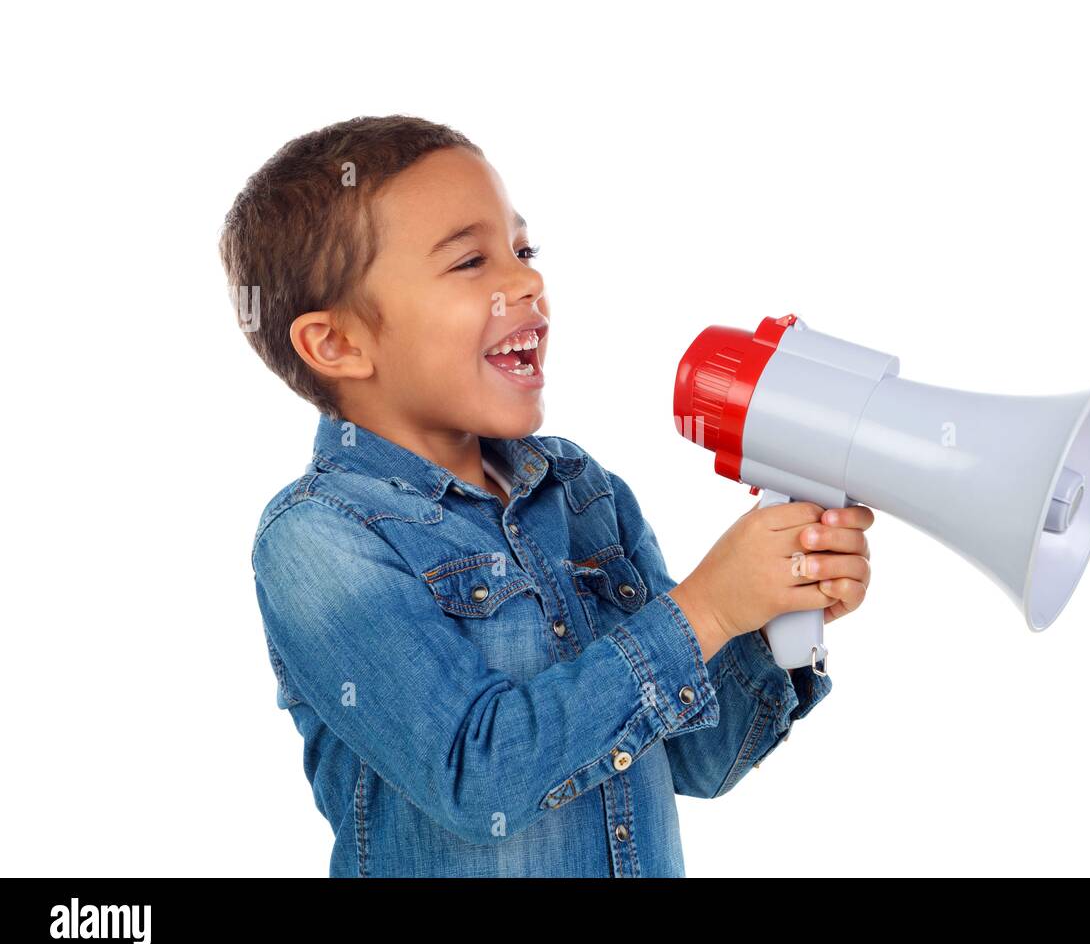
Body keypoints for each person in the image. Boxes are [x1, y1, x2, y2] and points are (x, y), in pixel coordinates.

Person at [219, 115, 873, 877]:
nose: (526, 280)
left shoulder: (580, 492)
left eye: (523, 250)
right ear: (338, 344)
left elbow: (699, 759)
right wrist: (707, 609)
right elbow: (477, 773)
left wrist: (769, 619)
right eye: (470, 261)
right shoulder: (321, 537)